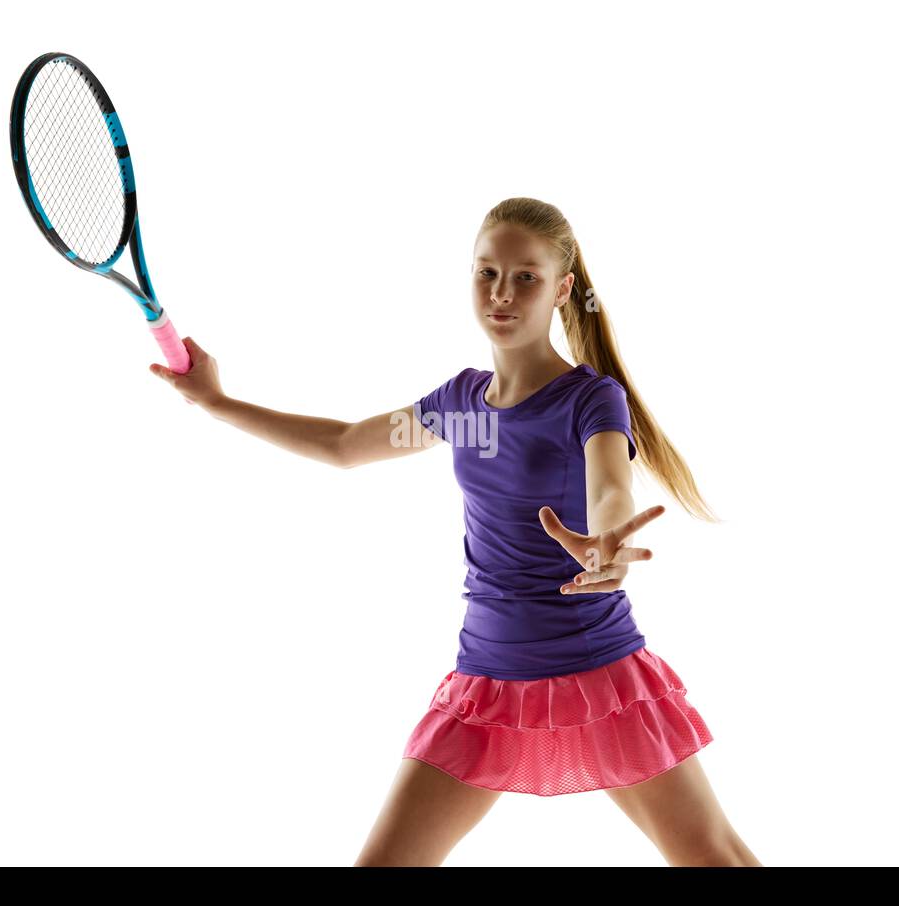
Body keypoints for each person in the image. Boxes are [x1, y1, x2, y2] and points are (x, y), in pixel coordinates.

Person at [149, 197, 761, 867]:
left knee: (710, 857)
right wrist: (218, 402)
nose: (502, 293)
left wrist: (607, 537)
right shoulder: (463, 409)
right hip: (486, 683)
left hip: (593, 671)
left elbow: (609, 480)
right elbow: (347, 444)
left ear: (562, 289)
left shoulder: (588, 400)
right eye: (487, 272)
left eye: (526, 277)